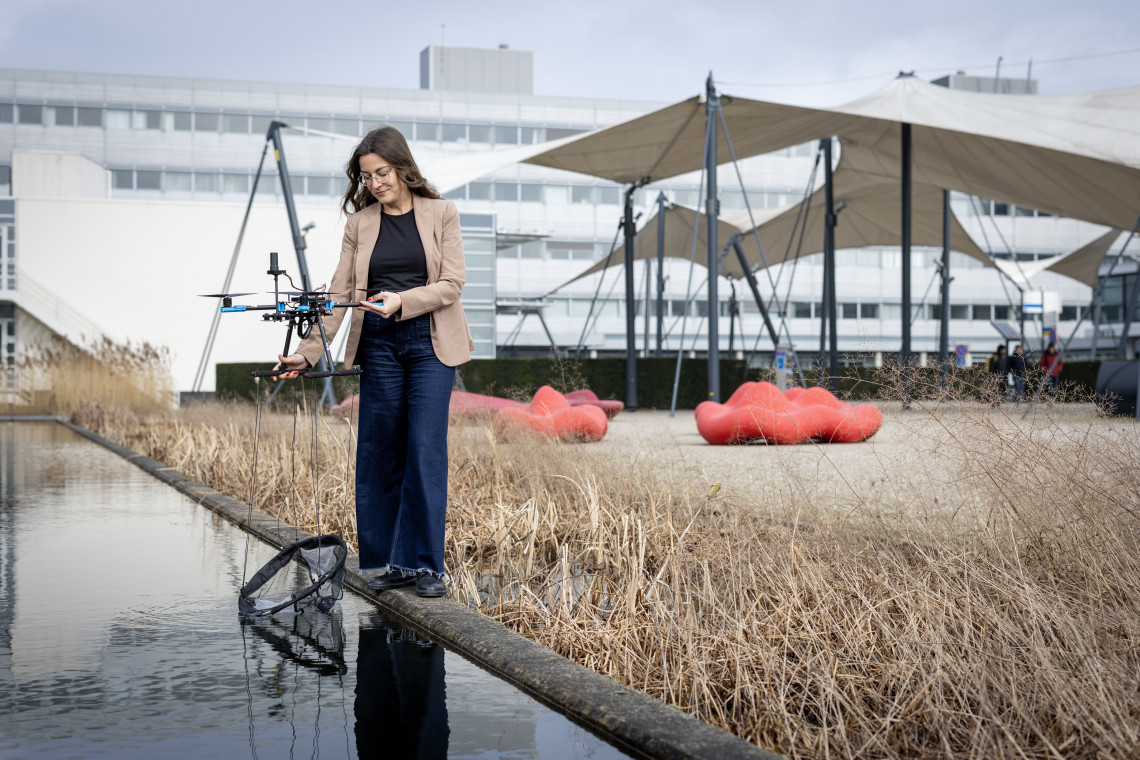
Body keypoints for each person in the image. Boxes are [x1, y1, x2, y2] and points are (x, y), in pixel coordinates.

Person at [275, 126, 472, 598]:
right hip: (379, 345)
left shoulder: (442, 213)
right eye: (367, 177)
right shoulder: (359, 224)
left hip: (430, 344)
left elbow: (452, 284)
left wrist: (401, 301)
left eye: (382, 172)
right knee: (380, 452)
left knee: (424, 450)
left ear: (402, 168)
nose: (376, 183)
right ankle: (392, 563)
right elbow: (339, 295)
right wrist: (306, 354)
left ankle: (426, 567)